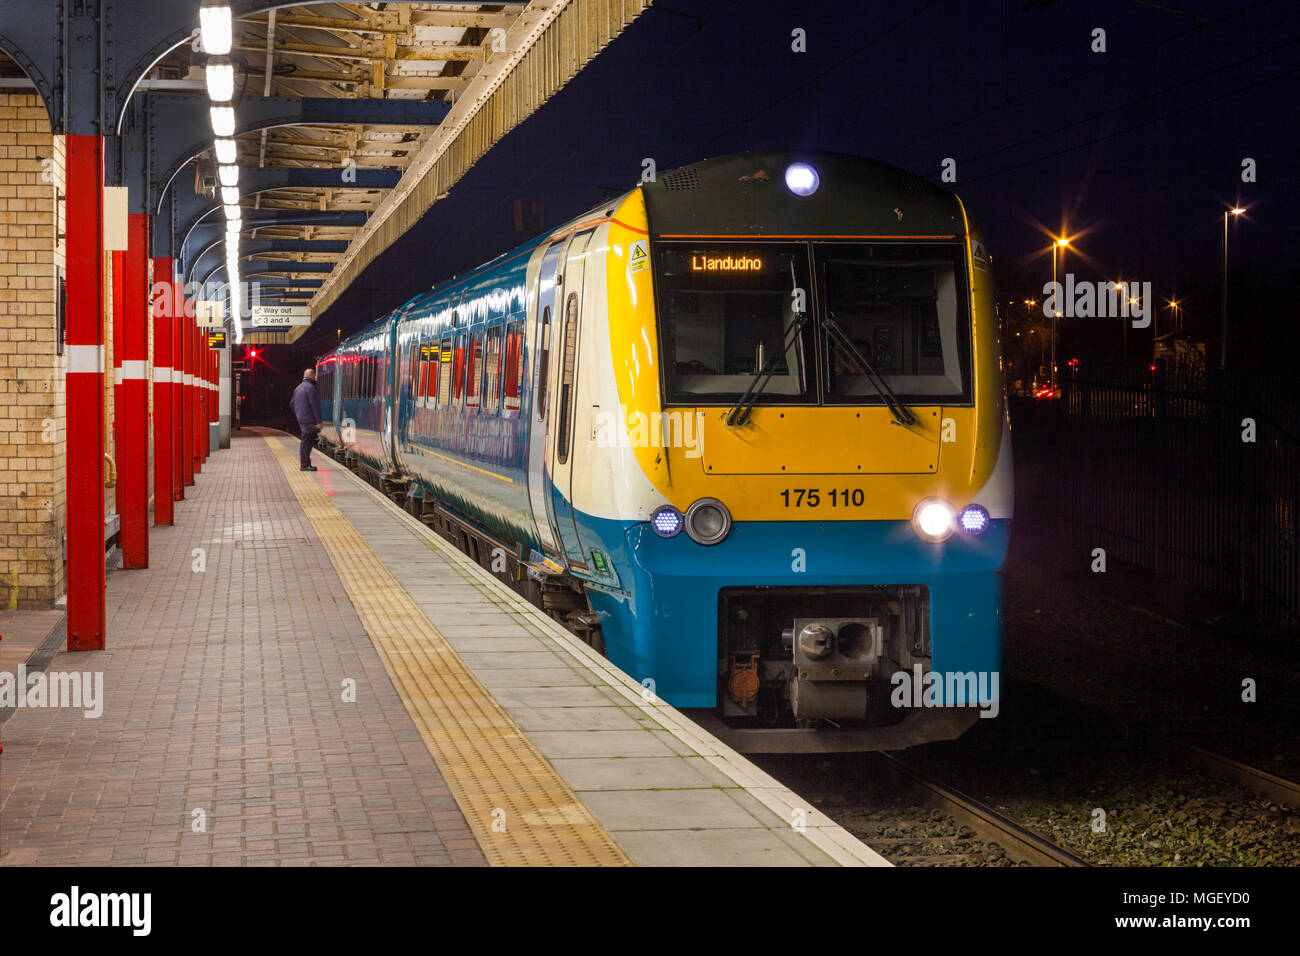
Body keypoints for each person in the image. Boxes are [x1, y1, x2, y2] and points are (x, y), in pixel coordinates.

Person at [291, 367, 322, 471]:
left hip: (302, 418)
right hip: (309, 419)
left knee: (307, 441)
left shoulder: (298, 388)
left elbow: (292, 404)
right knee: (307, 442)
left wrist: (299, 413)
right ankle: (305, 465)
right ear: (313, 376)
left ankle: (306, 464)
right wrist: (318, 421)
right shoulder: (310, 388)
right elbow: (314, 405)